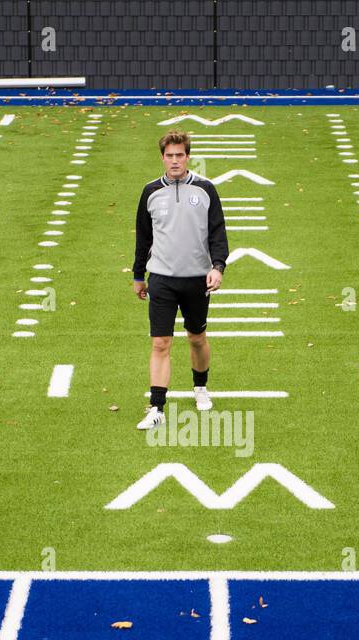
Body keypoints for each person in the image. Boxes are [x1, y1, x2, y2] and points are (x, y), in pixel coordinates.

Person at [132, 128, 228, 429]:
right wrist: (138, 275)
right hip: (161, 278)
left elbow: (218, 233)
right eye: (169, 156)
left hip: (197, 278)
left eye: (180, 155)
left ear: (188, 157)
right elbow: (143, 238)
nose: (175, 161)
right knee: (160, 343)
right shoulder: (150, 192)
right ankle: (157, 407)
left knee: (196, 337)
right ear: (162, 158)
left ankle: (200, 387)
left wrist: (218, 267)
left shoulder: (206, 189)